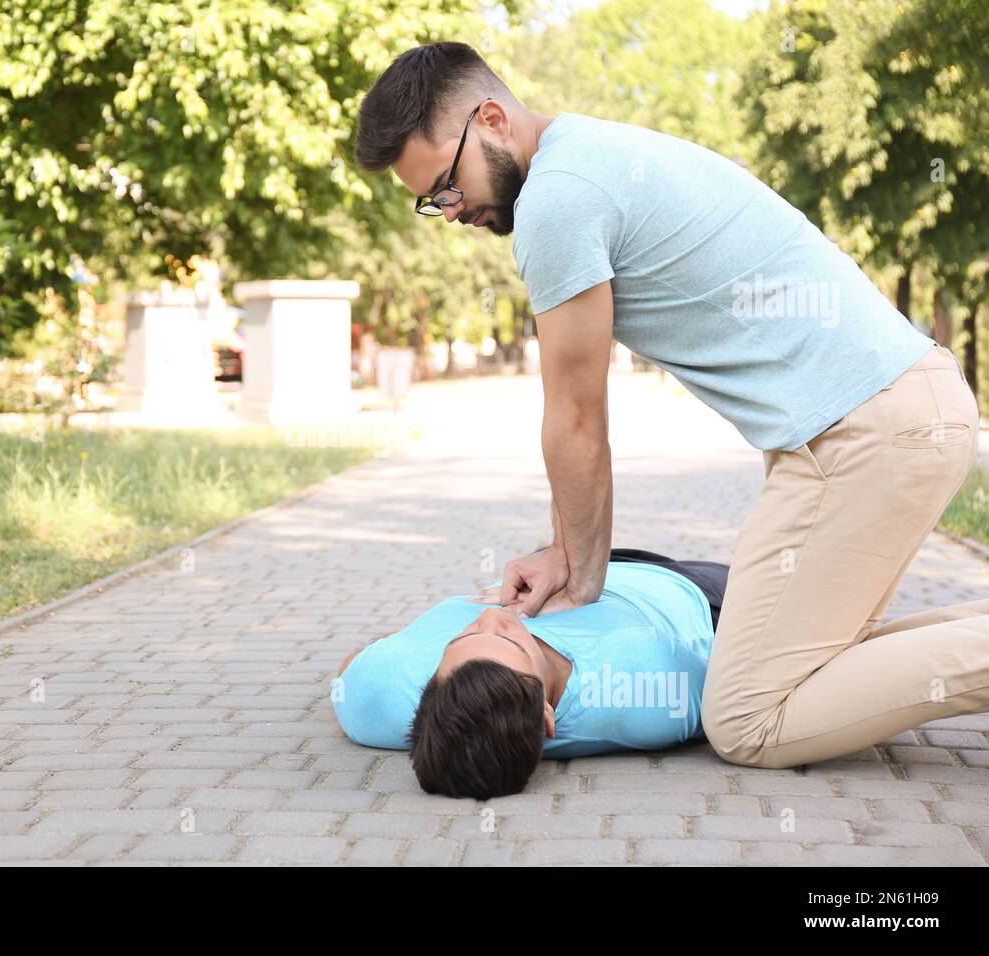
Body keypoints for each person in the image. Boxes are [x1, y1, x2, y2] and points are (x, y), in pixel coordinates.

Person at [353, 41, 989, 770]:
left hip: (867, 433)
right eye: (431, 201)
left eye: (446, 185)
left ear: (492, 118)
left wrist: (584, 579)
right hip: (889, 414)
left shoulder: (557, 203)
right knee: (802, 664)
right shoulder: (590, 157)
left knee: (747, 717)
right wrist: (563, 549)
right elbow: (575, 411)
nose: (450, 211)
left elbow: (577, 418)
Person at [332, 548, 730, 799]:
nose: (490, 615)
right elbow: (738, 692)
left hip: (548, 565)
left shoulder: (379, 696)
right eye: (512, 642)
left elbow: (353, 667)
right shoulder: (639, 680)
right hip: (676, 588)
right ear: (545, 715)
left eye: (462, 637)